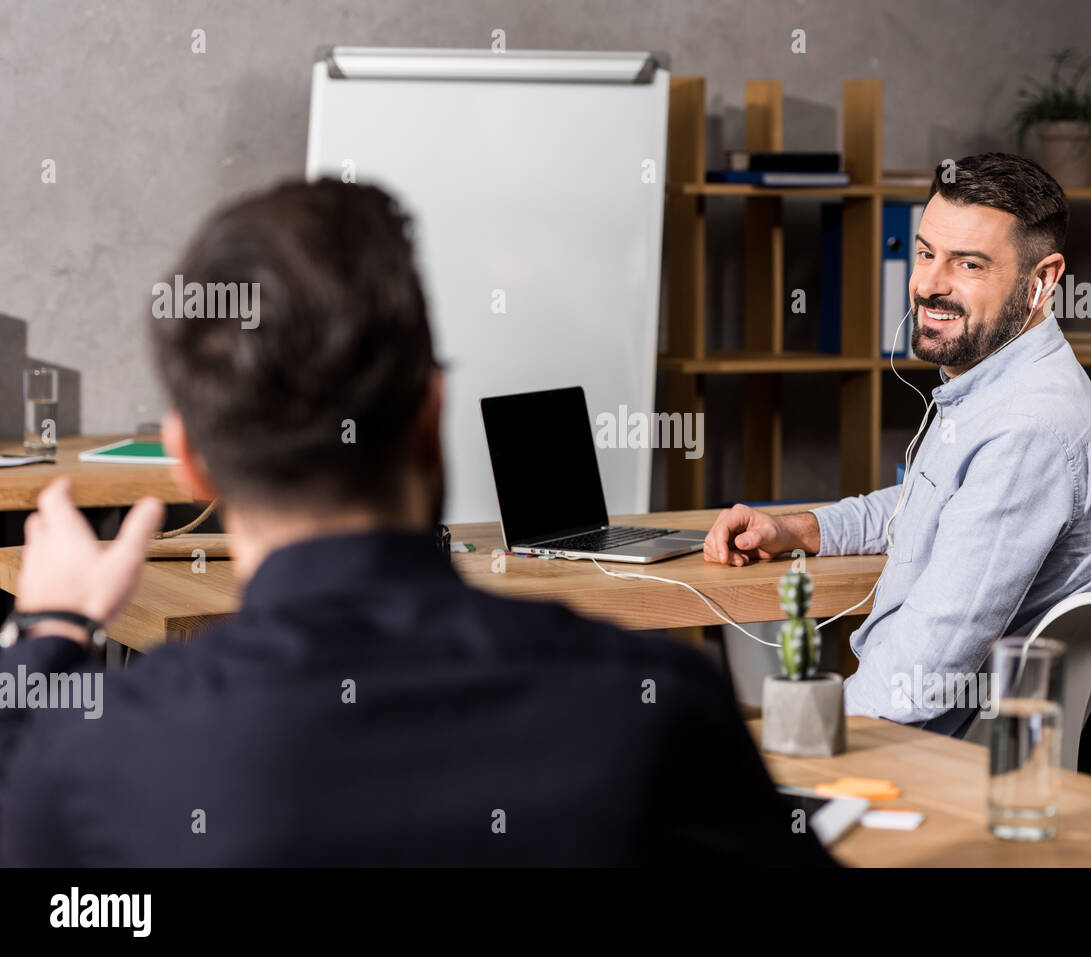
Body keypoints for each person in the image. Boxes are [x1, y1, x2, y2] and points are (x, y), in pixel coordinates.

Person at [0, 180, 833, 866]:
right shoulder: (654, 706)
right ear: (433, 415)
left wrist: (50, 629)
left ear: (189, 457)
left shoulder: (96, 754)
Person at [703, 153, 1091, 735]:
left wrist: (771, 743)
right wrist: (800, 531)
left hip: (926, 758)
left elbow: (917, 679)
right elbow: (928, 505)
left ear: (1043, 280)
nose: (927, 284)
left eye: (968, 264)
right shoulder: (994, 385)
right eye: (925, 252)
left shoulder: (1027, 430)